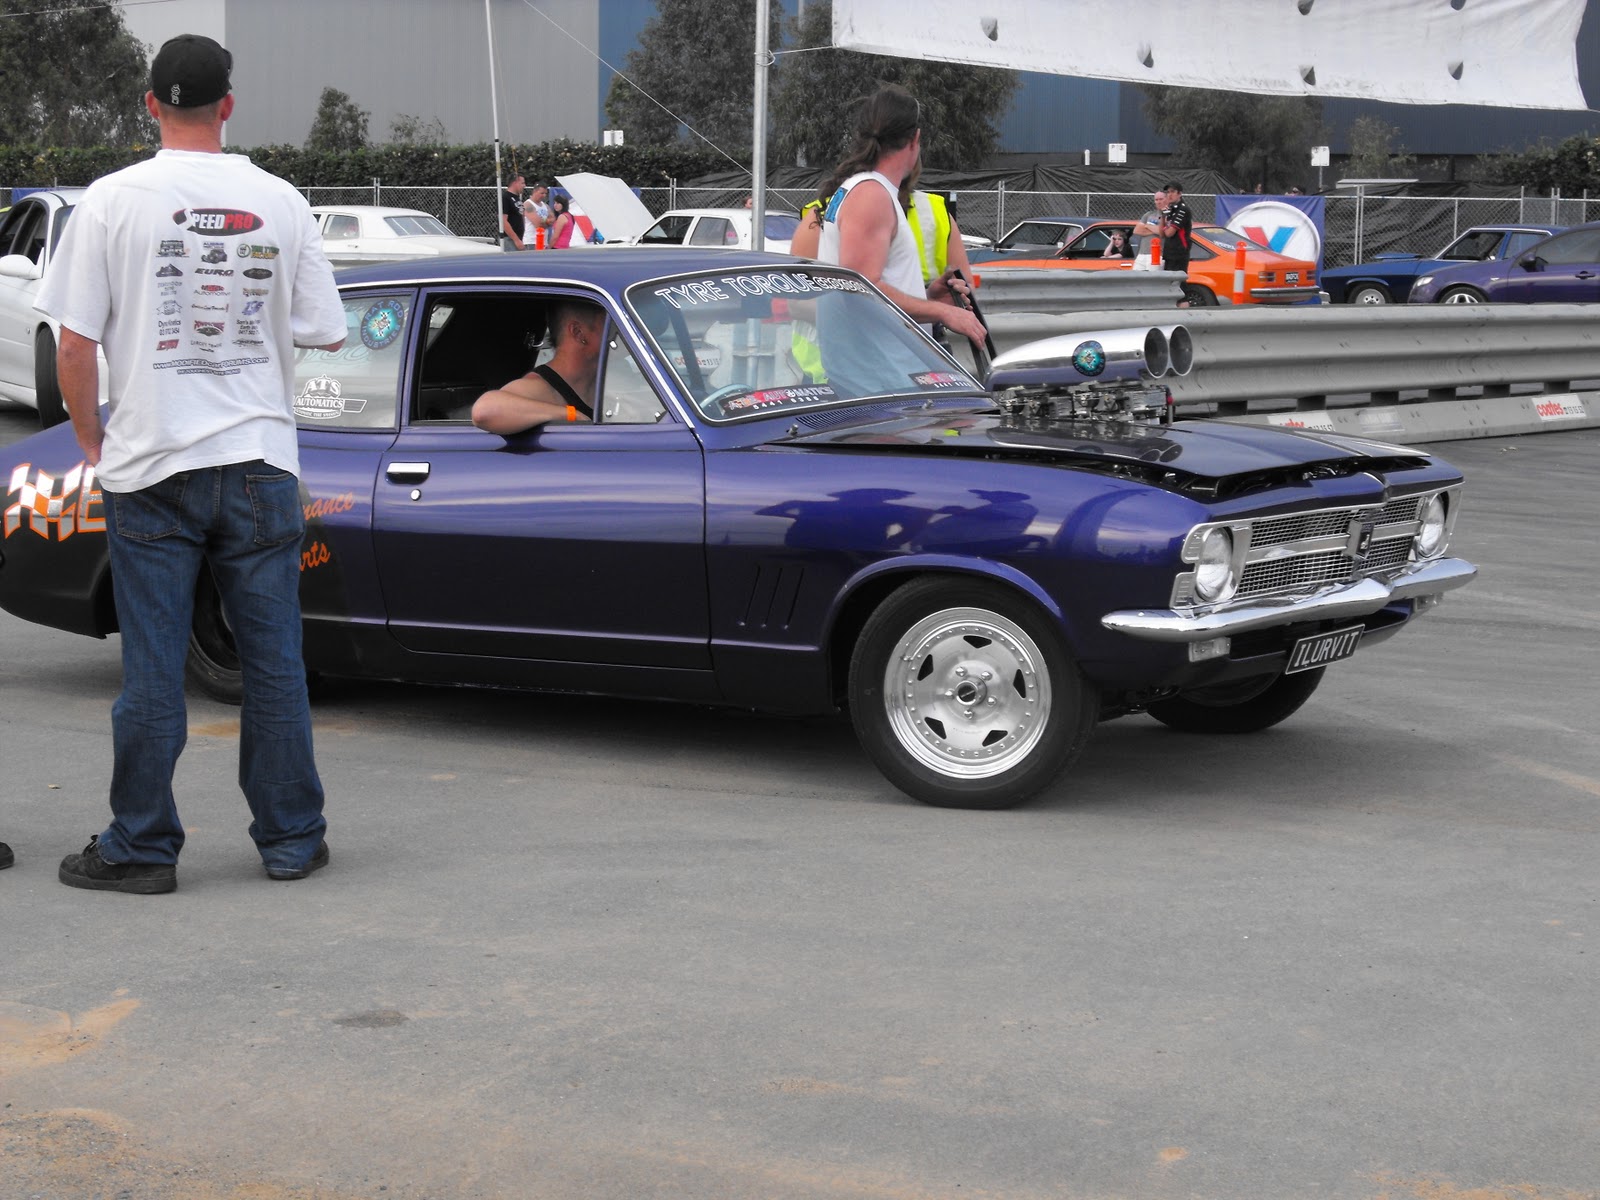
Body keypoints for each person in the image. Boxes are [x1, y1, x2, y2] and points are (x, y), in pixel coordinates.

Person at [35, 33, 347, 893]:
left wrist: (94, 439)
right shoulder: (280, 201)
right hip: (256, 461)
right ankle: (291, 838)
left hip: (151, 468)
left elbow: (74, 342)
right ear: (229, 105)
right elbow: (326, 328)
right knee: (274, 661)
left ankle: (140, 847)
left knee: (151, 668)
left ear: (150, 105)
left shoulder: (110, 201)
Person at [813, 84, 986, 349]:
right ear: (915, 139)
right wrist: (943, 312)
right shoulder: (871, 195)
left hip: (876, 366)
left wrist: (927, 298)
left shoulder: (864, 189)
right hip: (878, 370)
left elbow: (867, 287)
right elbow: (861, 288)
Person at [472, 301, 604, 433]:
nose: (613, 333)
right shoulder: (540, 387)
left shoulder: (605, 381)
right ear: (578, 332)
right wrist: (572, 415)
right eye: (606, 324)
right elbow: (484, 410)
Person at [1158, 181, 1193, 275]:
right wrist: (1163, 216)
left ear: (1179, 194)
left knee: (1178, 283)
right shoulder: (1171, 209)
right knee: (1168, 283)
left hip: (1179, 253)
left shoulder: (1183, 209)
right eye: (1168, 192)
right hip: (1169, 252)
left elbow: (1169, 233)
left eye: (1172, 192)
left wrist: (1166, 226)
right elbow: (1161, 234)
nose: (1169, 195)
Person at [500, 172, 527, 250]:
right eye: (522, 183)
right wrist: (516, 240)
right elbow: (503, 221)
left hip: (519, 238)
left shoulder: (517, 198)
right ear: (515, 183)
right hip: (510, 240)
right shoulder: (505, 198)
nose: (524, 186)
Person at [522, 182, 553, 249]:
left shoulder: (545, 205)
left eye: (545, 193)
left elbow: (552, 220)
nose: (544, 195)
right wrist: (547, 222)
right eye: (542, 193)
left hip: (544, 241)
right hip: (532, 241)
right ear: (535, 192)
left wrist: (544, 222)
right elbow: (538, 224)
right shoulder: (528, 204)